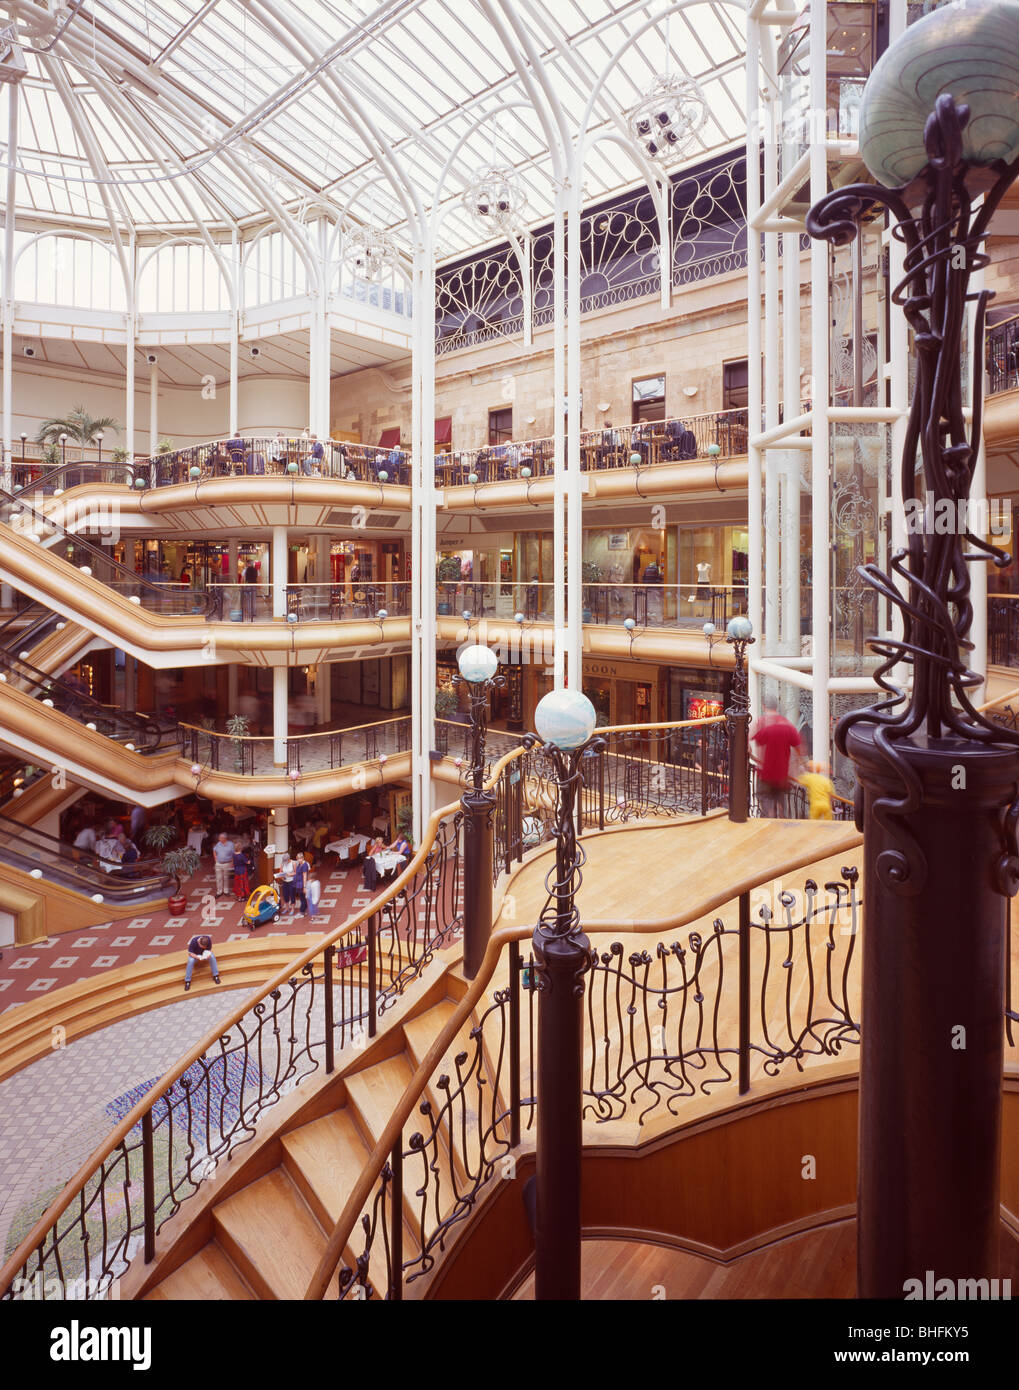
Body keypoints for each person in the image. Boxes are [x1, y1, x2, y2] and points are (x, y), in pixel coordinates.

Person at [751, 696, 803, 819]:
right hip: (782, 775)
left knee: (765, 800)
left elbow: (753, 738)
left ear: (764, 706)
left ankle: (769, 819)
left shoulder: (762, 723)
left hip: (765, 773)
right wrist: (798, 768)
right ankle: (781, 822)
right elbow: (798, 747)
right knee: (780, 800)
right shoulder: (787, 725)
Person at [212, 830, 235, 897]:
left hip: (227, 863)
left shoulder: (231, 844)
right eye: (219, 838)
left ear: (225, 838)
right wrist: (215, 859)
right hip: (218, 863)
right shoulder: (218, 844)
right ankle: (219, 891)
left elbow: (233, 853)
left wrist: (232, 862)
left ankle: (226, 891)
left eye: (220, 838)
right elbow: (214, 850)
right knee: (219, 878)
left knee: (226, 878)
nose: (219, 839)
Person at [294, 850, 310, 915]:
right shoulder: (299, 864)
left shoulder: (304, 865)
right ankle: (305, 907)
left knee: (302, 898)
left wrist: (304, 887)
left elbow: (305, 876)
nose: (299, 860)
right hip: (298, 883)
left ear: (303, 858)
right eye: (298, 859)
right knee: (302, 897)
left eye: (301, 858)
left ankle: (302, 911)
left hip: (301, 884)